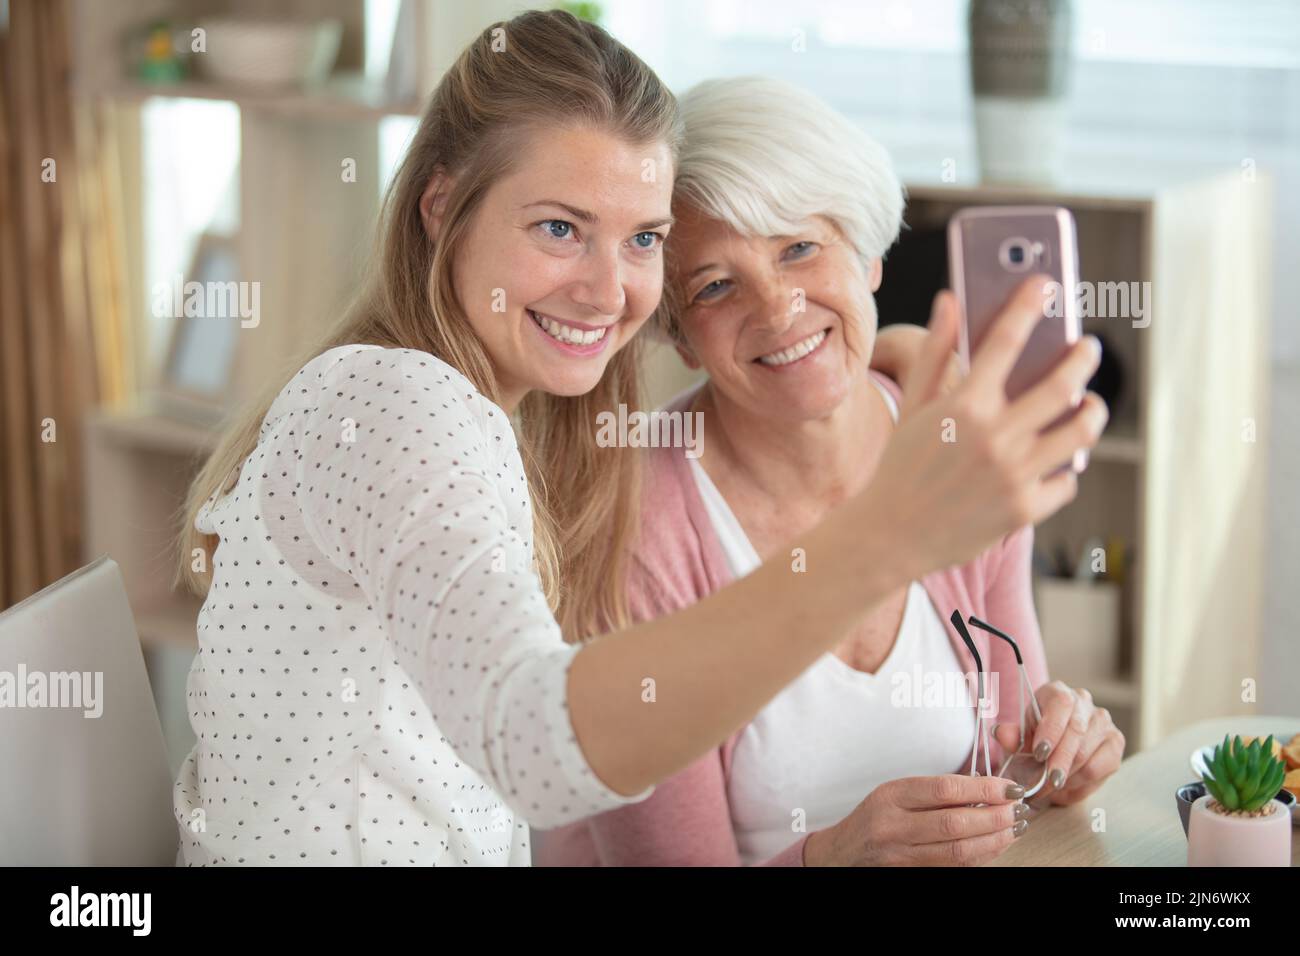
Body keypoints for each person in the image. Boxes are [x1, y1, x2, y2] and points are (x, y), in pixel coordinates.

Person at [174, 13, 1106, 866]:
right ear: (439, 205)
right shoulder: (397, 405)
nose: (606, 290)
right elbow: (533, 747)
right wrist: (887, 538)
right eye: (558, 228)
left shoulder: (478, 415)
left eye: (643, 239)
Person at [539, 77, 1124, 867]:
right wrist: (834, 856)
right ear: (680, 338)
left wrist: (1063, 757)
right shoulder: (632, 528)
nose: (778, 309)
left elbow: (1010, 771)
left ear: (870, 257)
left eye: (801, 248)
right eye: (716, 286)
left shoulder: (959, 452)